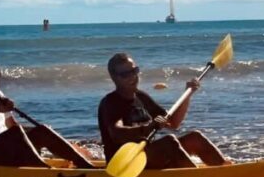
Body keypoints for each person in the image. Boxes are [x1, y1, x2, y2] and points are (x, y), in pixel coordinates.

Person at [0, 53, 95, 168]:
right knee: (15, 133)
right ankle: (43, 169)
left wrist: (37, 134)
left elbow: (12, 126)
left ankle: (84, 163)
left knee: (42, 130)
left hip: (3, 151)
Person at [97, 53, 230, 169]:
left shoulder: (141, 97)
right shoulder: (110, 102)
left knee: (195, 138)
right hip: (125, 163)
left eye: (134, 71)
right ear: (115, 78)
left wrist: (187, 94)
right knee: (168, 143)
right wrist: (148, 127)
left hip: (146, 155)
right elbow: (117, 133)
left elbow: (173, 122)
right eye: (126, 74)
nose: (132, 76)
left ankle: (224, 171)